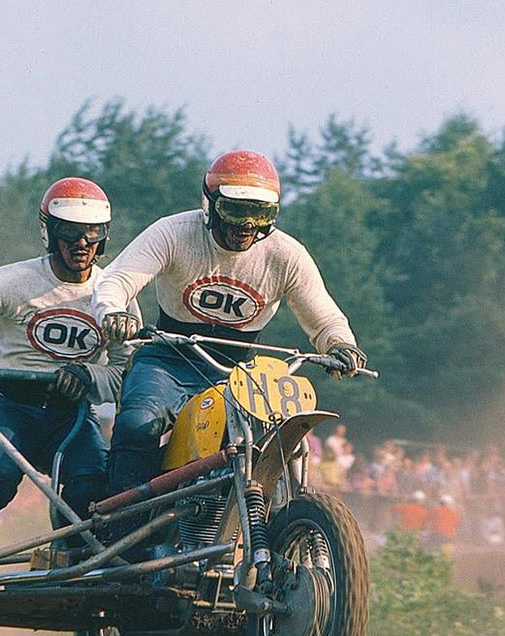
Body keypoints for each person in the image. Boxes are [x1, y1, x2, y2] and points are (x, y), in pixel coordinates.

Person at [91, 149, 367, 514]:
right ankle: (119, 534)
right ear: (210, 205)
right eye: (237, 211)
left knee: (275, 441)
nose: (247, 225)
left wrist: (341, 343)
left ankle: (270, 527)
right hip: (167, 359)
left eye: (261, 213)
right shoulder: (174, 233)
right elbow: (117, 280)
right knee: (138, 424)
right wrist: (113, 312)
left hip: (238, 373)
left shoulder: (286, 255)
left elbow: (324, 315)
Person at [0, 177, 139, 558]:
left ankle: (72, 571)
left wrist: (88, 376)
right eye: (69, 233)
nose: (81, 244)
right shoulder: (11, 281)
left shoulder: (116, 295)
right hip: (9, 404)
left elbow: (126, 373)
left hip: (72, 413)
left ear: (104, 237)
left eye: (92, 233)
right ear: (48, 232)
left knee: (92, 493)